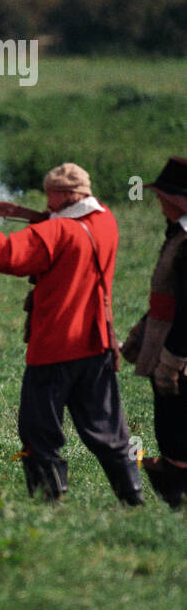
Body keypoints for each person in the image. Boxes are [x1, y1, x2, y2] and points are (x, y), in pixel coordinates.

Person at [0, 163, 143, 505]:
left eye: (52, 196)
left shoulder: (58, 231)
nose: (48, 203)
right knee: (107, 430)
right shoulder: (106, 220)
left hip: (55, 348)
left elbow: (8, 256)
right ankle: (131, 495)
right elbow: (63, 239)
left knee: (38, 431)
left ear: (66, 196)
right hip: (97, 343)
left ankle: (47, 499)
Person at [121, 157, 187, 507]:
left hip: (178, 347)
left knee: (176, 429)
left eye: (162, 194)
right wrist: (139, 336)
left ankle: (178, 492)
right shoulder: (176, 231)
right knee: (169, 426)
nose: (157, 200)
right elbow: (166, 297)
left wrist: (174, 357)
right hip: (165, 337)